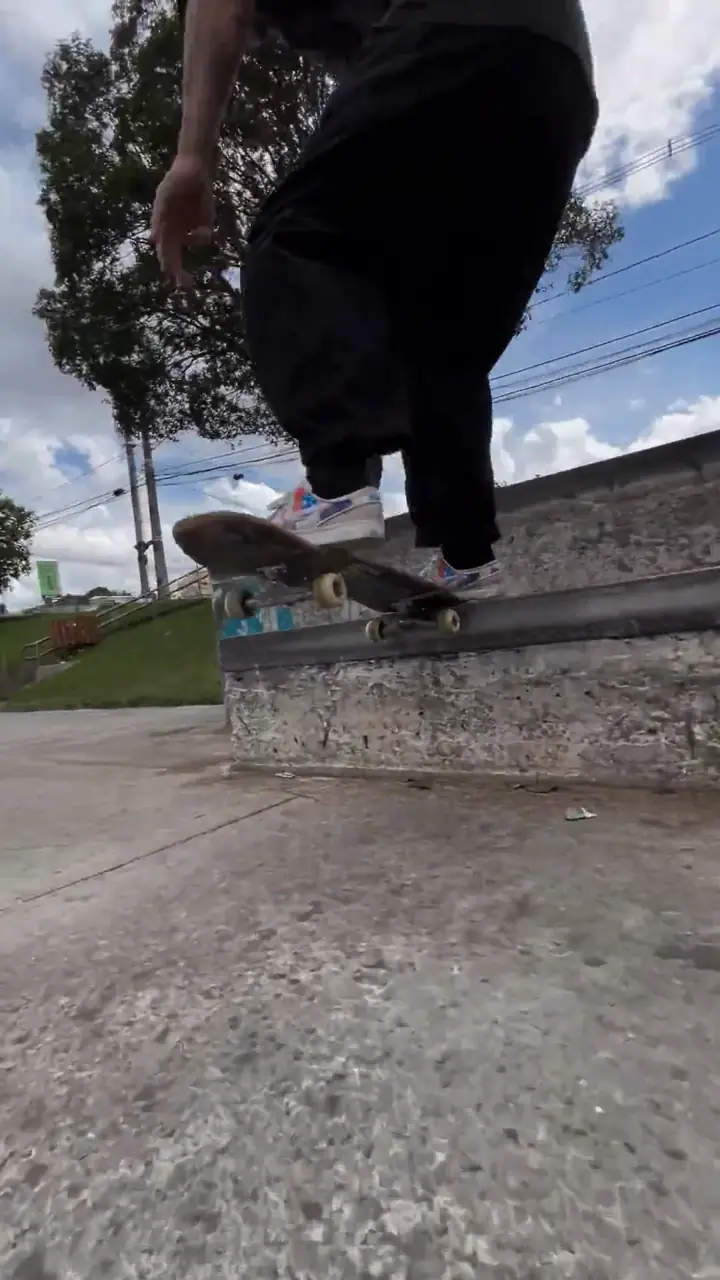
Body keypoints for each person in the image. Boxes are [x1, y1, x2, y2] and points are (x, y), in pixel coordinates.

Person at [152, 0, 598, 598]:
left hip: (463, 28)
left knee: (299, 235)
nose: (268, 41)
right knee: (441, 340)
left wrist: (191, 157)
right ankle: (467, 559)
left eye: (269, 30)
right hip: (557, 86)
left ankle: (337, 487)